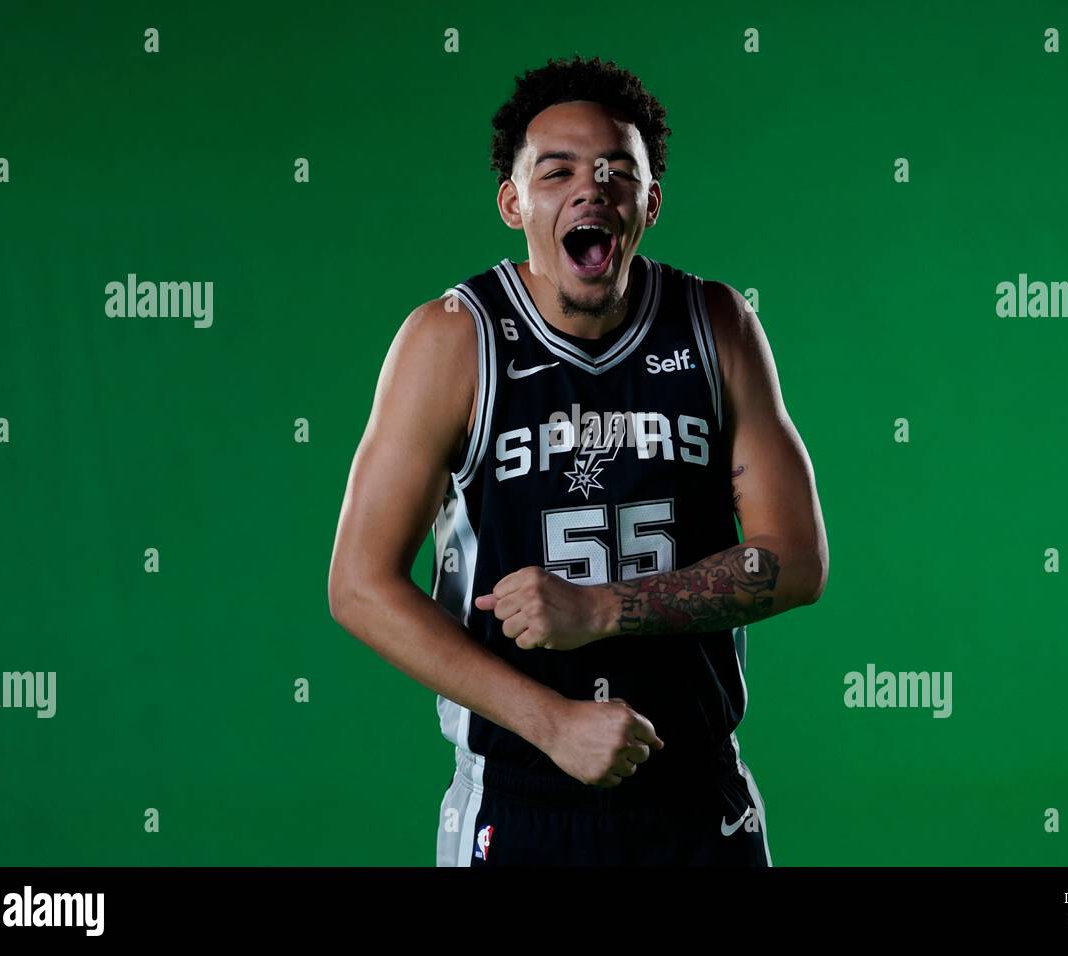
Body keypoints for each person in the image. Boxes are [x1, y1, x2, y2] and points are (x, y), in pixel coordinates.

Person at [328, 55, 828, 866]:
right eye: (556, 171)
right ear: (513, 201)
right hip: (522, 798)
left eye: (616, 170)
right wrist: (549, 721)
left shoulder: (716, 325)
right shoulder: (455, 339)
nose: (589, 189)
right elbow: (358, 585)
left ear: (649, 203)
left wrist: (604, 608)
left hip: (696, 794)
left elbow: (797, 561)